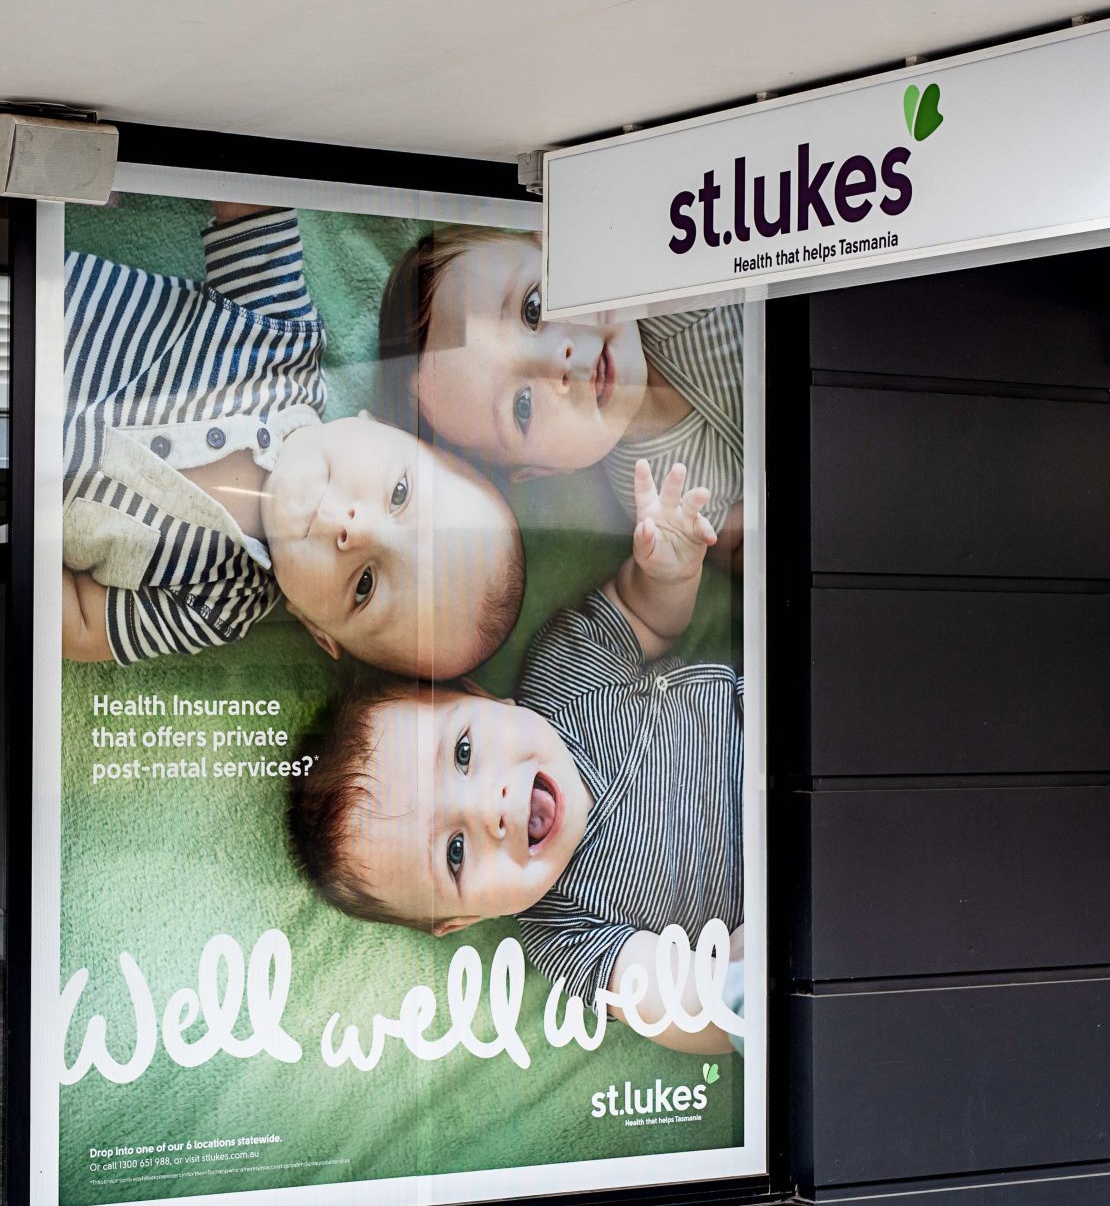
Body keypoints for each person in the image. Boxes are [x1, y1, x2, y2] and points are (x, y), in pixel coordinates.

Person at [289, 460, 745, 1054]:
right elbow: (672, 1003)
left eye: (464, 751)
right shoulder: (563, 932)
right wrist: (736, 976)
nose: (489, 808)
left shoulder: (565, 676)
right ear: (461, 920)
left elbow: (643, 616)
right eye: (455, 854)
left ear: (485, 698)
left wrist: (666, 571)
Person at [62, 204, 524, 676]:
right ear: (384, 427)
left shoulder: (221, 605)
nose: (357, 531)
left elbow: (80, 621)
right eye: (399, 494)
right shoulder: (280, 337)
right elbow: (248, 198)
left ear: (318, 629)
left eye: (364, 585)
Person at [378, 225, 744, 571]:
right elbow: (744, 545)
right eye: (523, 407)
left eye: (532, 309)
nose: (557, 366)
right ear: (544, 469)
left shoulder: (679, 279)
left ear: (550, 241)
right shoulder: (652, 501)